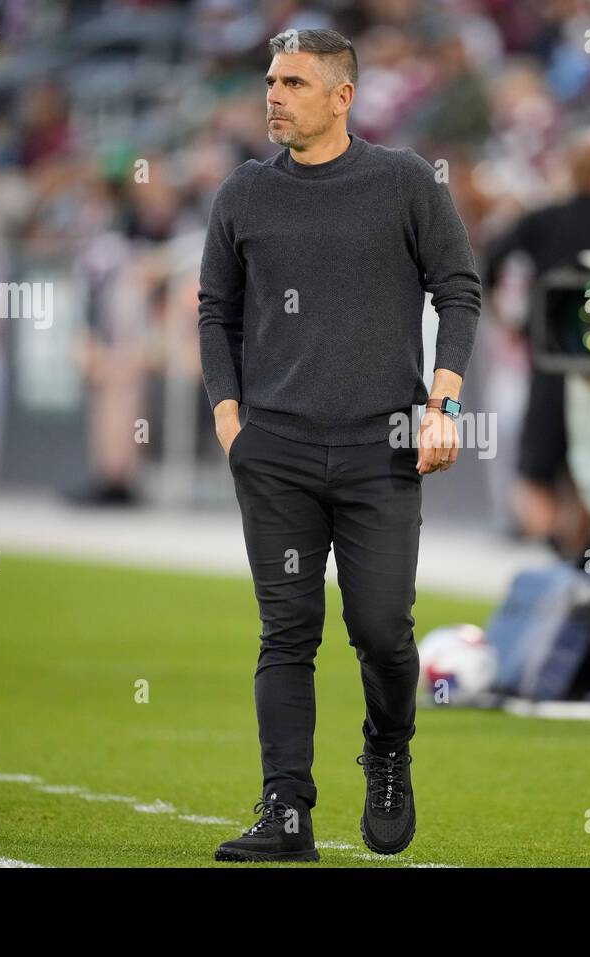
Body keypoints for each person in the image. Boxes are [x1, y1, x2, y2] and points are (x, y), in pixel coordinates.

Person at [197, 29, 481, 862]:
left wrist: (444, 403)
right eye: (270, 81)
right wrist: (228, 417)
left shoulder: (403, 181)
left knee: (383, 629)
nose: (273, 96)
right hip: (274, 448)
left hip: (381, 448)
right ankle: (287, 811)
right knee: (287, 632)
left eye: (292, 83)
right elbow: (216, 310)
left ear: (342, 97)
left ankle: (388, 749)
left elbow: (458, 290)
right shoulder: (244, 192)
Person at [483, 128, 590, 560]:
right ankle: (581, 554)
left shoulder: (543, 219)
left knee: (534, 475)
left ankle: (559, 551)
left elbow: (489, 259)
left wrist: (507, 318)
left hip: (550, 364)